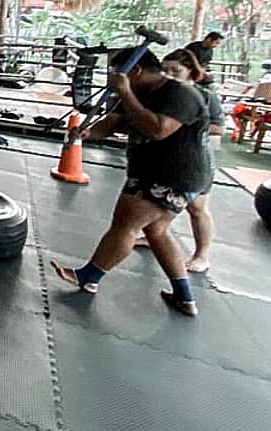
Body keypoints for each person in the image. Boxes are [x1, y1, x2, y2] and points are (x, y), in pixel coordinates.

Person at [51, 48, 210, 317]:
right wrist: (88, 132)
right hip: (151, 170)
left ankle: (89, 276)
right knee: (156, 232)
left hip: (173, 174)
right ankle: (185, 297)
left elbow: (158, 129)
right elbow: (114, 121)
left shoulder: (179, 94)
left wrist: (125, 92)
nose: (112, 77)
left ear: (134, 71)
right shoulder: (138, 93)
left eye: (116, 71)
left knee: (126, 223)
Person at [129, 48, 221, 274]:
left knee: (197, 208)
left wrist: (185, 122)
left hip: (195, 157)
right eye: (166, 70)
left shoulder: (203, 96)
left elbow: (218, 127)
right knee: (161, 210)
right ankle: (155, 236)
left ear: (190, 72)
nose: (170, 74)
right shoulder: (163, 94)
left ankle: (202, 255)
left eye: (176, 70)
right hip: (167, 159)